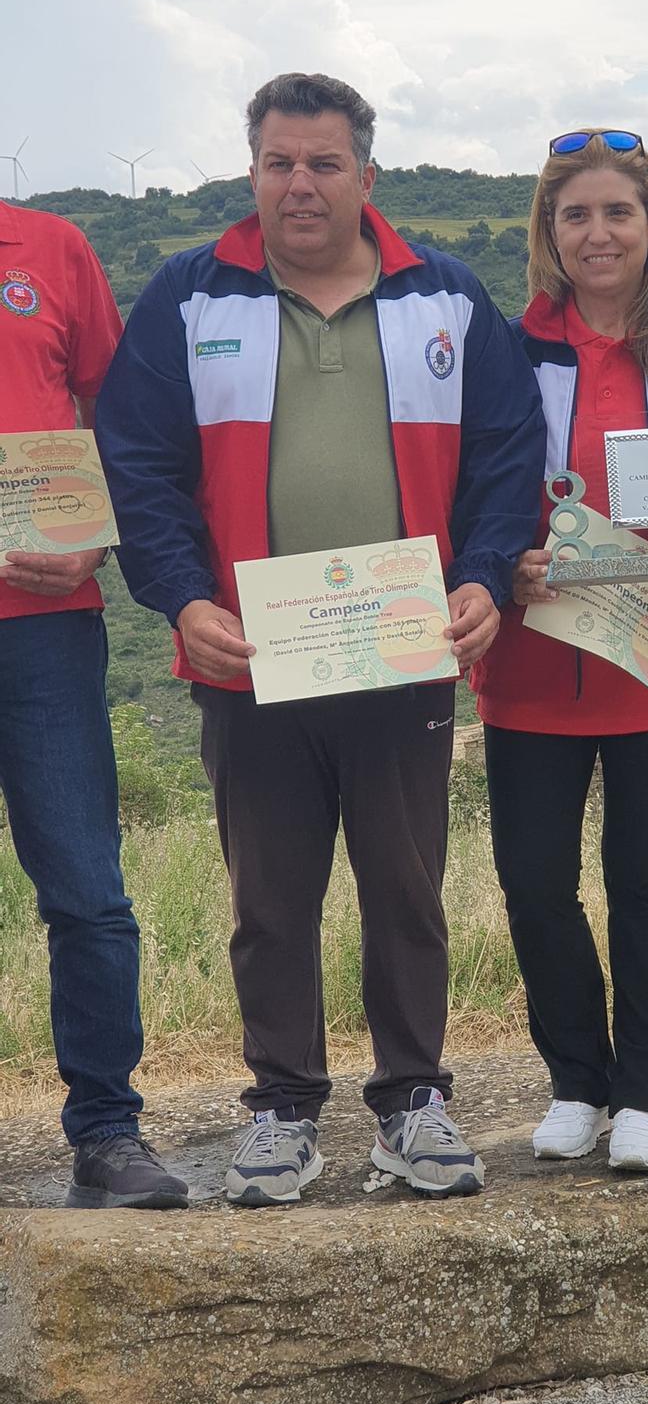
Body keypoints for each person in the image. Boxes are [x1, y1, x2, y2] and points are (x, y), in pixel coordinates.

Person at [96, 73, 545, 1205]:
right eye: (279, 163)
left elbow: (504, 455)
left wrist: (486, 575)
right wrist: (182, 597)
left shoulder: (444, 296)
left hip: (402, 649)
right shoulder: (187, 299)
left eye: (323, 163)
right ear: (252, 172)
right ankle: (283, 1109)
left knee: (406, 885)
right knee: (270, 900)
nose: (300, 185)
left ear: (366, 176)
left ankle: (412, 1101)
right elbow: (138, 465)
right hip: (250, 654)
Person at [472, 129, 648, 1173]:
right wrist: (507, 560)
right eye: (576, 214)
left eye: (618, 213)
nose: (598, 232)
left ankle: (644, 1093)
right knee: (534, 879)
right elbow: (482, 488)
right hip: (538, 653)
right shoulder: (507, 348)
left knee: (645, 875)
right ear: (550, 231)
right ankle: (575, 1080)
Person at [0, 199, 188, 1209]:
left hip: (42, 625)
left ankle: (108, 1135)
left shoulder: (52, 247)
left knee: (86, 889)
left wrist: (96, 533)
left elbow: (122, 421)